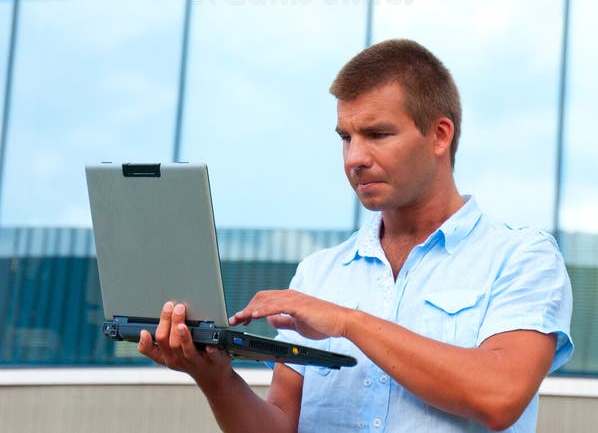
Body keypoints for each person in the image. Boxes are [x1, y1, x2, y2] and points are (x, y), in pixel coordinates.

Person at [139, 39, 573, 432]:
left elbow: (499, 396)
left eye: (377, 134)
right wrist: (215, 378)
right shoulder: (317, 274)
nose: (354, 158)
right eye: (346, 138)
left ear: (440, 136)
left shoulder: (522, 257)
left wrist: (348, 322)